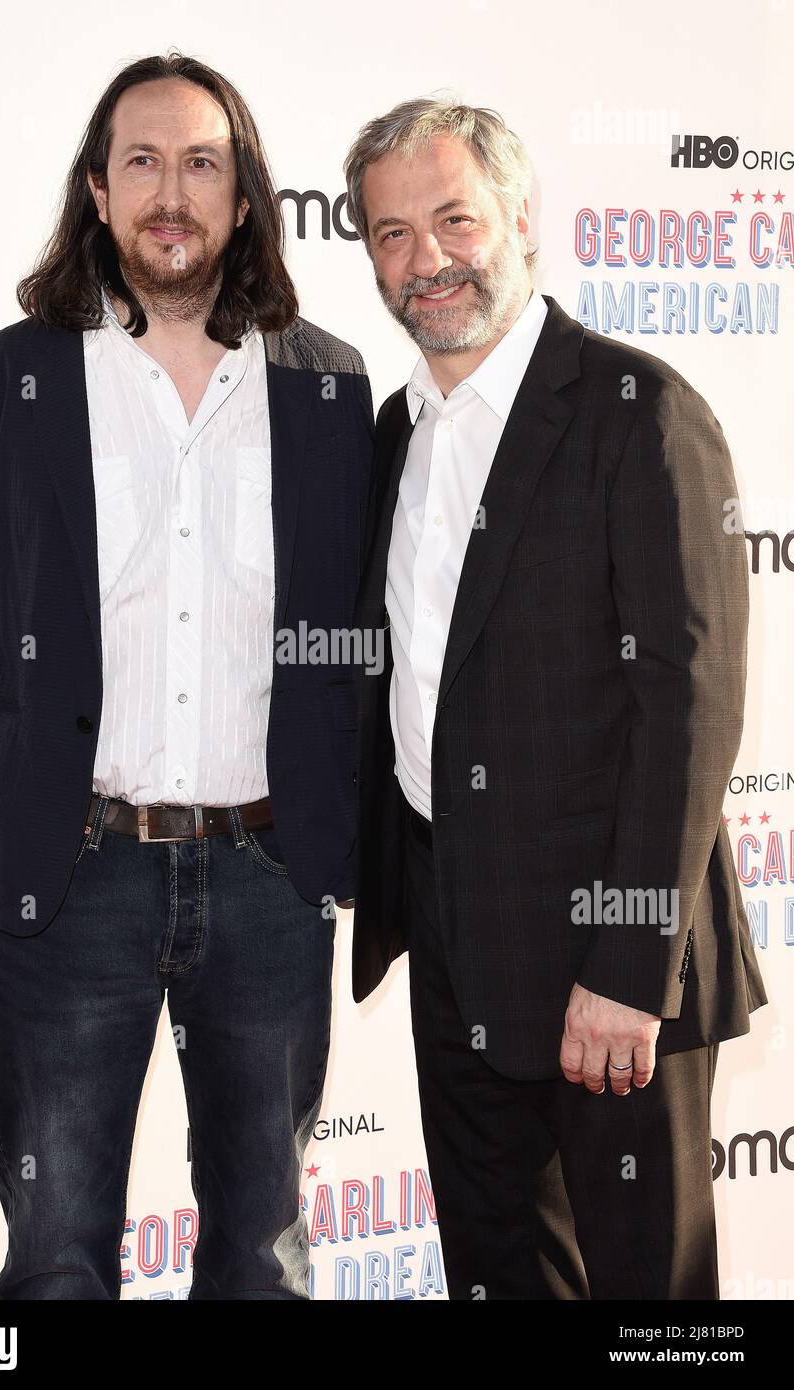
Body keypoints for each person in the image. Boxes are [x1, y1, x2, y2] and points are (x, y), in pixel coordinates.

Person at [0, 51, 372, 1301]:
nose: (171, 192)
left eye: (201, 163)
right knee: (55, 1259)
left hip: (269, 881)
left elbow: (361, 645)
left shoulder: (326, 384)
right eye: (142, 162)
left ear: (244, 195)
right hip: (70, 875)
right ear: (97, 193)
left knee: (261, 1260)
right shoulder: (7, 382)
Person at [344, 96, 767, 1300]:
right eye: (390, 234)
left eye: (453, 219)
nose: (426, 259)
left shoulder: (640, 411)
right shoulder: (395, 433)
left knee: (649, 1300)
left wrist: (629, 966)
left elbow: (691, 703)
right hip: (456, 946)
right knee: (498, 1272)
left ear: (522, 219)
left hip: (609, 951)